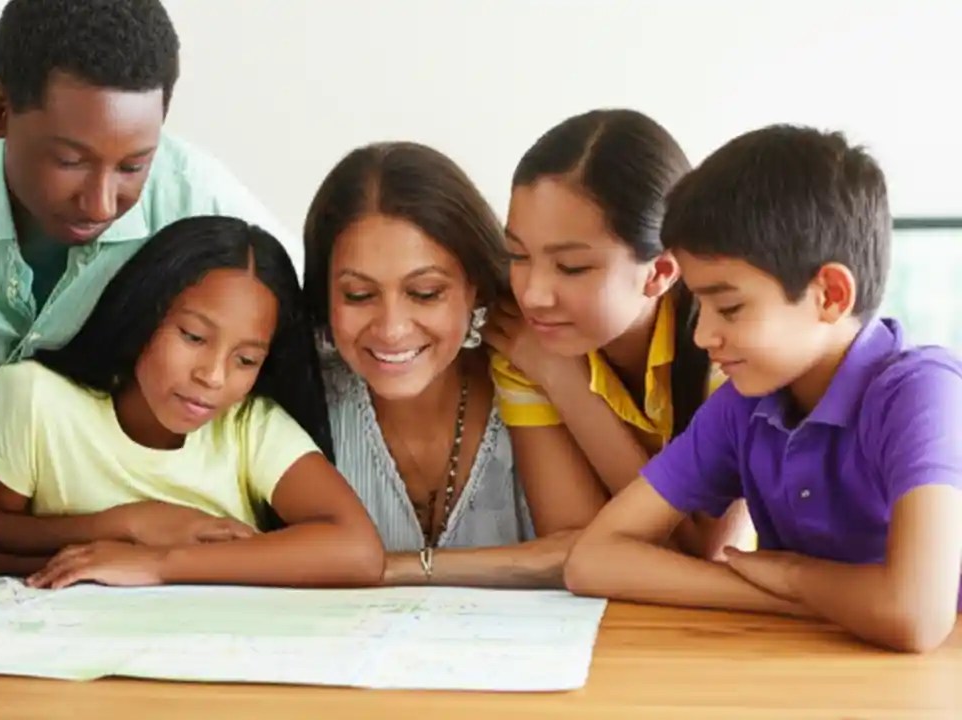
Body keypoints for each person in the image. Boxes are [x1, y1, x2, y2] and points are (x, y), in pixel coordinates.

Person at [565, 125, 962, 653]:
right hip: (820, 663)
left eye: (729, 307)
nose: (703, 334)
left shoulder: (922, 393)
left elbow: (914, 615)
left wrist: (793, 574)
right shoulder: (744, 405)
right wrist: (789, 596)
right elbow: (593, 560)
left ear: (830, 294)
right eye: (698, 305)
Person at [0, 216, 385, 588]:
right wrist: (124, 524)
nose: (213, 376)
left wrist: (159, 563)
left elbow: (359, 550)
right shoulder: (39, 400)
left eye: (246, 360)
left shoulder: (249, 426)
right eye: (194, 337)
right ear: (144, 314)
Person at [0, 0, 297, 437]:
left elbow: (315, 325)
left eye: (133, 167)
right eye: (70, 160)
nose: (101, 206)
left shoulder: (193, 196)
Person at [302, 141, 611, 587]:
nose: (391, 328)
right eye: (359, 295)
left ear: (475, 286)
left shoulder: (531, 377)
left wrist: (403, 567)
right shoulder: (298, 396)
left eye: (425, 293)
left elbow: (588, 550)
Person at [487, 109, 750, 558]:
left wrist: (567, 385)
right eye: (518, 255)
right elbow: (579, 550)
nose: (532, 294)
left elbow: (711, 554)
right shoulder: (527, 344)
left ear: (660, 272)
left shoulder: (731, 346)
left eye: (571, 266)